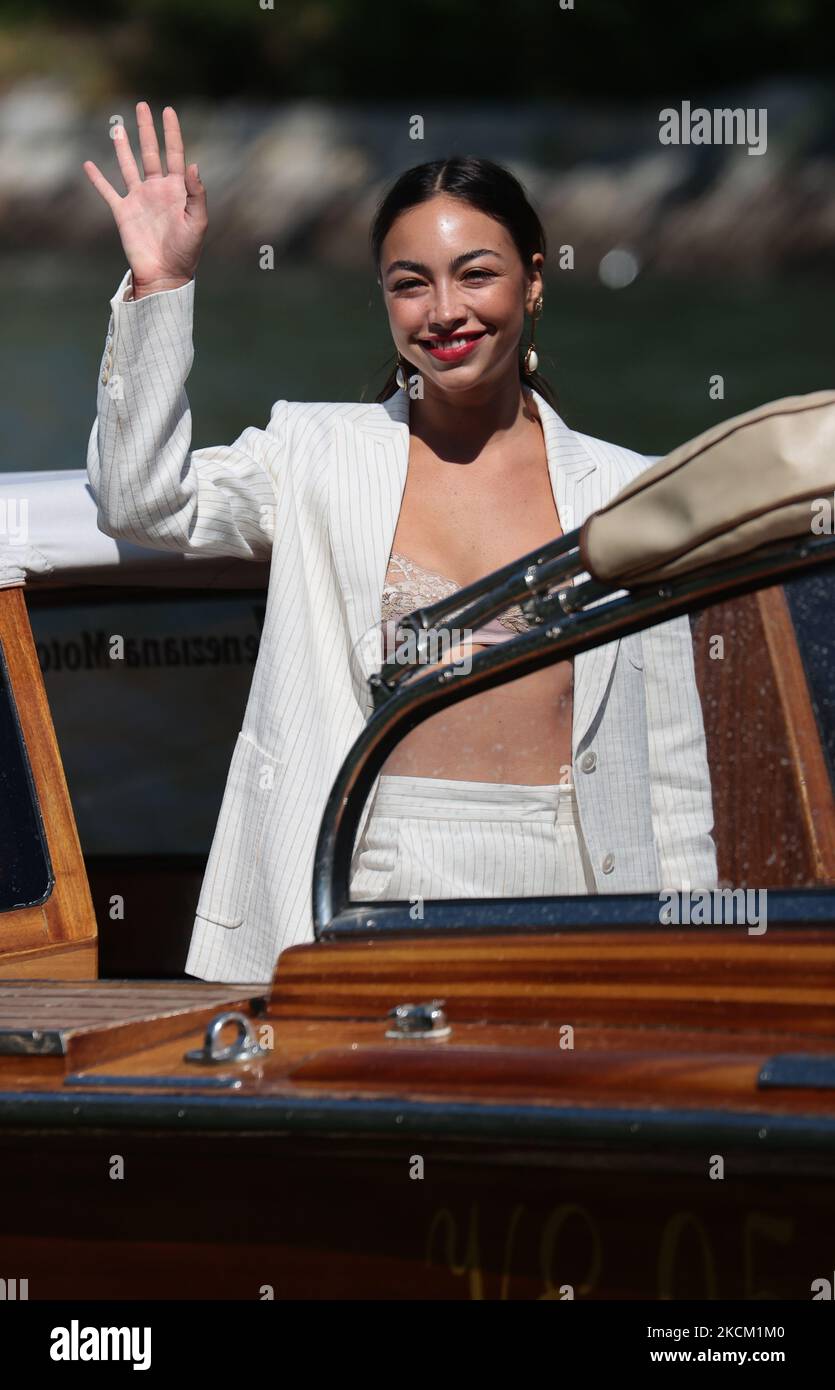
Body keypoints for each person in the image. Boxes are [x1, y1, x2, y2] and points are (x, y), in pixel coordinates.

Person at [84, 103, 717, 983]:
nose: (445, 311)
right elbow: (141, 502)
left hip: (577, 891)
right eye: (410, 283)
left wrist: (687, 962)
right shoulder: (313, 453)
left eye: (476, 275)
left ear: (533, 282)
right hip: (361, 887)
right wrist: (159, 286)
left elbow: (673, 767)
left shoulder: (626, 491)